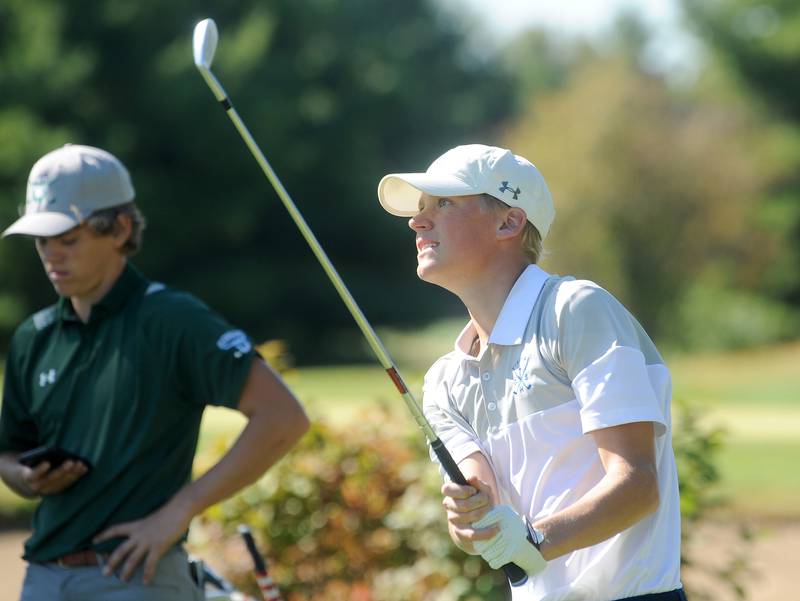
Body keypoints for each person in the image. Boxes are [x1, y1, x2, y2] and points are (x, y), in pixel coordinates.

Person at [0, 144, 310, 600]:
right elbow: (8, 453)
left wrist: (177, 513)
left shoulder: (173, 320)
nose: (51, 255)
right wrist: (25, 478)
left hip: (136, 577)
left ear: (120, 228)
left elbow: (283, 417)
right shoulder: (34, 336)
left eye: (68, 239)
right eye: (42, 241)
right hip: (44, 577)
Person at [377, 144, 686, 600]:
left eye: (443, 204)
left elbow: (637, 485)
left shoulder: (576, 311)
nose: (418, 222)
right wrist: (471, 517)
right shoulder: (444, 381)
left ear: (508, 222)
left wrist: (536, 538)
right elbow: (480, 515)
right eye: (421, 209)